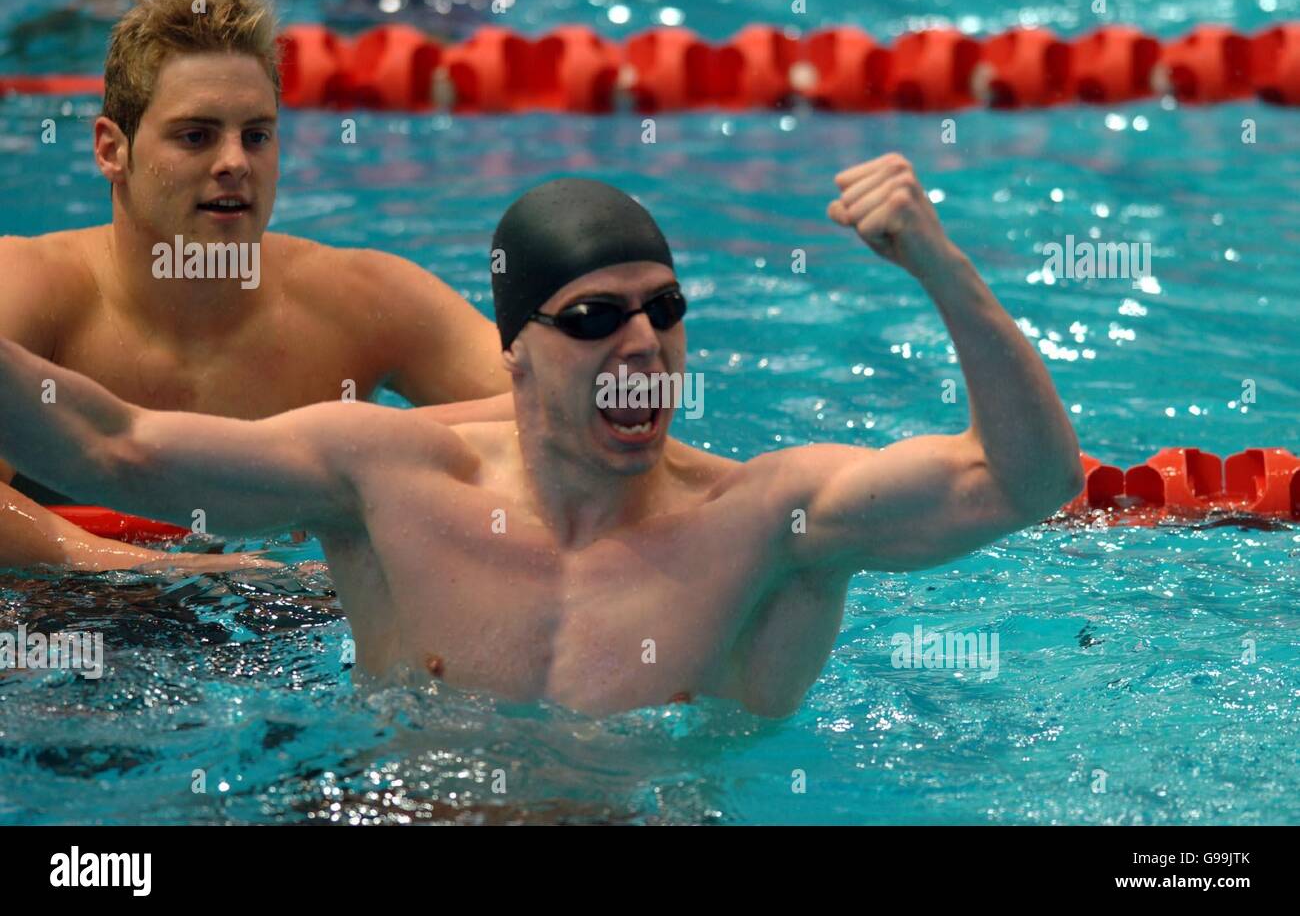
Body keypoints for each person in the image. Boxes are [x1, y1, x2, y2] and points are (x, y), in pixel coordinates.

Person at [0, 157, 1084, 717]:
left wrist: (942, 269)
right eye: (594, 318)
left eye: (664, 308)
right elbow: (114, 447)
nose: (643, 341)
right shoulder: (385, 478)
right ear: (513, 351)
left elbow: (1024, 481)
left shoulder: (767, 520)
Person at [0, 0, 511, 571]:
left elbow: (564, 409)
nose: (235, 163)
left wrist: (366, 439)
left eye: (257, 135)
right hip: (71, 631)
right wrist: (169, 574)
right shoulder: (30, 286)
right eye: (196, 136)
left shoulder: (363, 301)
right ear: (112, 150)